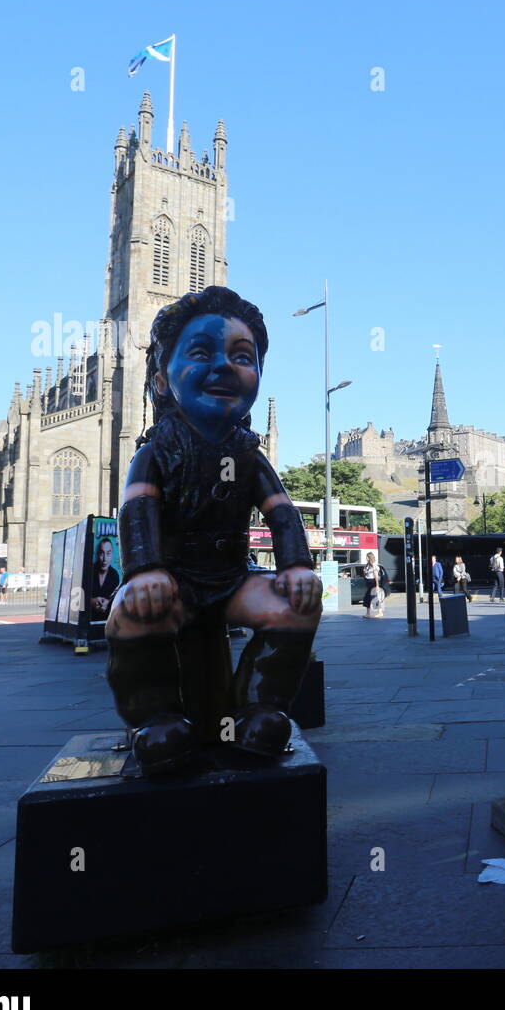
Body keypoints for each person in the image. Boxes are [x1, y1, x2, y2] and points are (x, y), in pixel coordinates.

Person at [103, 285, 321, 776]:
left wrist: (296, 566)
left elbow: (283, 515)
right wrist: (144, 571)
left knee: (295, 606)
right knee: (132, 615)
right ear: (161, 380)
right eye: (200, 353)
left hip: (229, 577)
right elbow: (136, 513)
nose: (223, 366)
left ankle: (260, 708)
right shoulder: (155, 452)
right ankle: (154, 720)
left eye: (242, 357)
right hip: (173, 578)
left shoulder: (248, 455)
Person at [89, 537, 121, 620]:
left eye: (108, 553)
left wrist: (108, 602)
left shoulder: (115, 575)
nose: (104, 559)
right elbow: (76, 599)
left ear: (112, 555)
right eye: (102, 553)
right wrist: (90, 602)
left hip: (107, 622)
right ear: (98, 554)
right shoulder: (89, 571)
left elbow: (118, 602)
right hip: (89, 621)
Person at [363, 551, 386, 619]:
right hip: (369, 583)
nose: (366, 558)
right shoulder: (367, 565)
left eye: (367, 557)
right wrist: (365, 572)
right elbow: (365, 574)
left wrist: (377, 585)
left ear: (370, 557)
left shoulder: (374, 565)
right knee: (368, 598)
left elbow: (376, 576)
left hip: (373, 582)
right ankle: (368, 613)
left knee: (375, 597)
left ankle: (380, 612)